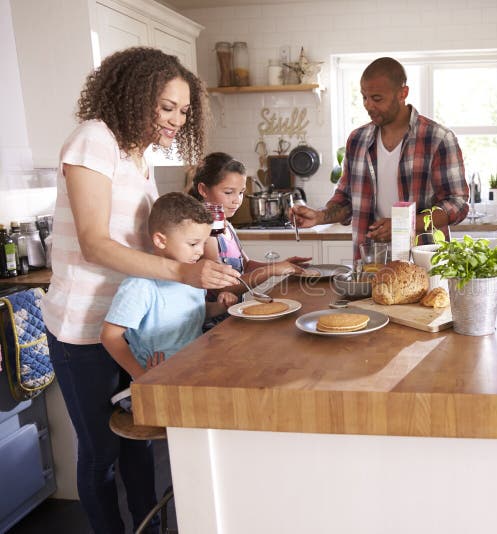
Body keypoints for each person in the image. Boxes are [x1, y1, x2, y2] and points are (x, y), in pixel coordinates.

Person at [42, 47, 240, 534]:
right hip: (84, 329)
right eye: (167, 107)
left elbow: (153, 242)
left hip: (130, 325)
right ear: (134, 96)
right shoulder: (93, 141)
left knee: (137, 442)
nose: (176, 120)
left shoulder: (139, 157)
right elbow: (94, 244)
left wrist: (208, 269)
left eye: (184, 111)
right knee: (101, 452)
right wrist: (182, 275)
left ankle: (151, 528)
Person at [291, 56, 470, 257]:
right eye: (364, 97)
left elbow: (457, 204)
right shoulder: (357, 140)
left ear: (403, 93)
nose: (368, 105)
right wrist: (319, 216)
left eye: (377, 98)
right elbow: (347, 199)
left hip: (425, 262)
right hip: (371, 262)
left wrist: (404, 225)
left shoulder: (438, 138)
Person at [100, 193, 239, 381]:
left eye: (203, 243)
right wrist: (140, 375)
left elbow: (193, 312)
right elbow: (110, 336)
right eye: (193, 243)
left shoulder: (192, 276)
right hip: (161, 378)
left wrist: (220, 307)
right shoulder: (140, 285)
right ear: (161, 240)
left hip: (194, 367)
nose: (200, 251)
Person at [188, 152, 310, 294]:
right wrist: (271, 271)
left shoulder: (227, 226)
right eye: (228, 192)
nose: (237, 200)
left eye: (241, 192)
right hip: (215, 315)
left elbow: (246, 265)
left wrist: (280, 265)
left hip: (232, 311)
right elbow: (222, 289)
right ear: (203, 189)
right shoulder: (206, 233)